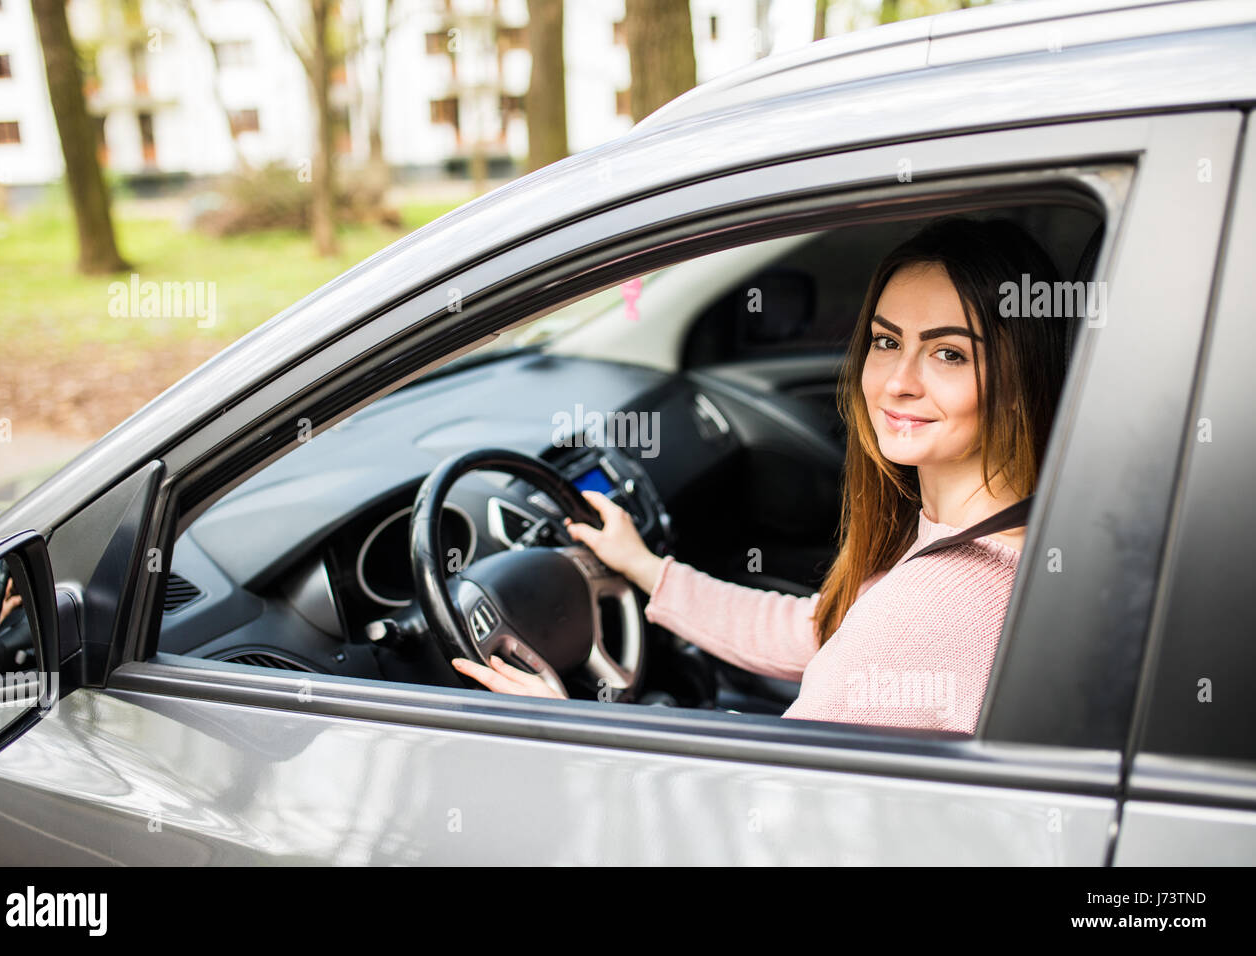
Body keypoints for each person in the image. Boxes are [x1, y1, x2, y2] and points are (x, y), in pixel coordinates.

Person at [452, 216, 1068, 733]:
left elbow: (762, 824)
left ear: (1019, 384)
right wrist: (645, 568)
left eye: (948, 353)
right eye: (885, 342)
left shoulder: (933, 608)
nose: (899, 381)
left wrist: (566, 731)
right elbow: (822, 633)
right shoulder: (1000, 536)